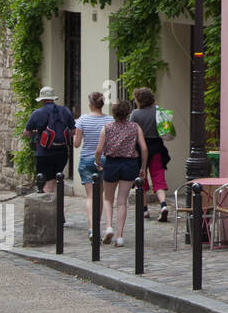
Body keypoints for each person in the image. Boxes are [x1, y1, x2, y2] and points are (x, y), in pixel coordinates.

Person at [94, 99, 148, 247]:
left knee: (108, 199)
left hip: (111, 163)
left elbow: (99, 150)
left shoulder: (107, 127)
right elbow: (143, 148)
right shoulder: (135, 127)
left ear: (114, 113)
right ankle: (119, 236)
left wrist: (98, 162)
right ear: (128, 112)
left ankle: (109, 226)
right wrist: (143, 166)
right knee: (122, 201)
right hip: (129, 164)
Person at [73, 92, 113, 241]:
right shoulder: (109, 120)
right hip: (104, 160)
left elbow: (77, 144)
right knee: (100, 195)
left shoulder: (82, 119)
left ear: (90, 104)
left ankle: (91, 228)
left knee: (90, 196)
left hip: (87, 160)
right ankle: (97, 224)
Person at [22, 87, 75, 194]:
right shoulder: (65, 110)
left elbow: (26, 133)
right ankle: (57, 208)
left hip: (44, 153)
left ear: (42, 100)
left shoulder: (38, 113)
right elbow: (73, 130)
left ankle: (49, 208)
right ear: (53, 98)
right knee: (56, 180)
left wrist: (37, 133)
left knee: (45, 183)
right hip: (62, 152)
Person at [129, 88, 170, 222]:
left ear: (138, 100)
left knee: (141, 179)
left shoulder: (135, 114)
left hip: (140, 149)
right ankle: (163, 205)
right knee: (158, 177)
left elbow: (131, 132)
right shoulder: (159, 111)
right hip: (157, 147)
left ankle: (145, 209)